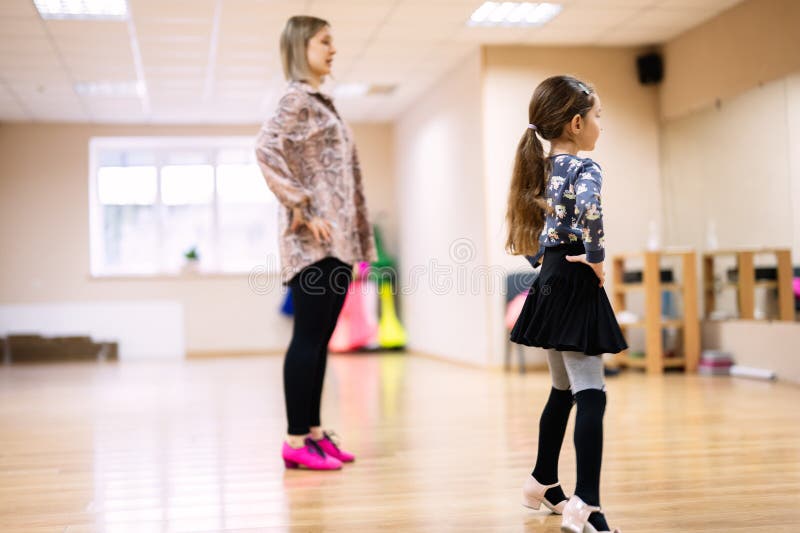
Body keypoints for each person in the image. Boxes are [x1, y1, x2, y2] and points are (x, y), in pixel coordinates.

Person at [506, 75, 627, 533]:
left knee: (563, 388)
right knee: (591, 390)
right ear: (576, 123)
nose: (600, 125)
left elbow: (535, 229)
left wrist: (548, 259)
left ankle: (542, 480)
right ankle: (587, 504)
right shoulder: (584, 169)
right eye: (597, 116)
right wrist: (595, 259)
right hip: (575, 278)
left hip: (550, 278)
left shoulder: (539, 168)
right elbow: (591, 210)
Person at [255, 15, 376, 471]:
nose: (333, 49)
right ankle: (294, 440)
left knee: (320, 340)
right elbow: (266, 148)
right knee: (307, 339)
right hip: (313, 244)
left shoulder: (322, 103)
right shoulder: (296, 99)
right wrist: (302, 206)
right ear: (301, 46)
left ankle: (313, 433)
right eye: (325, 42)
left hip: (338, 243)